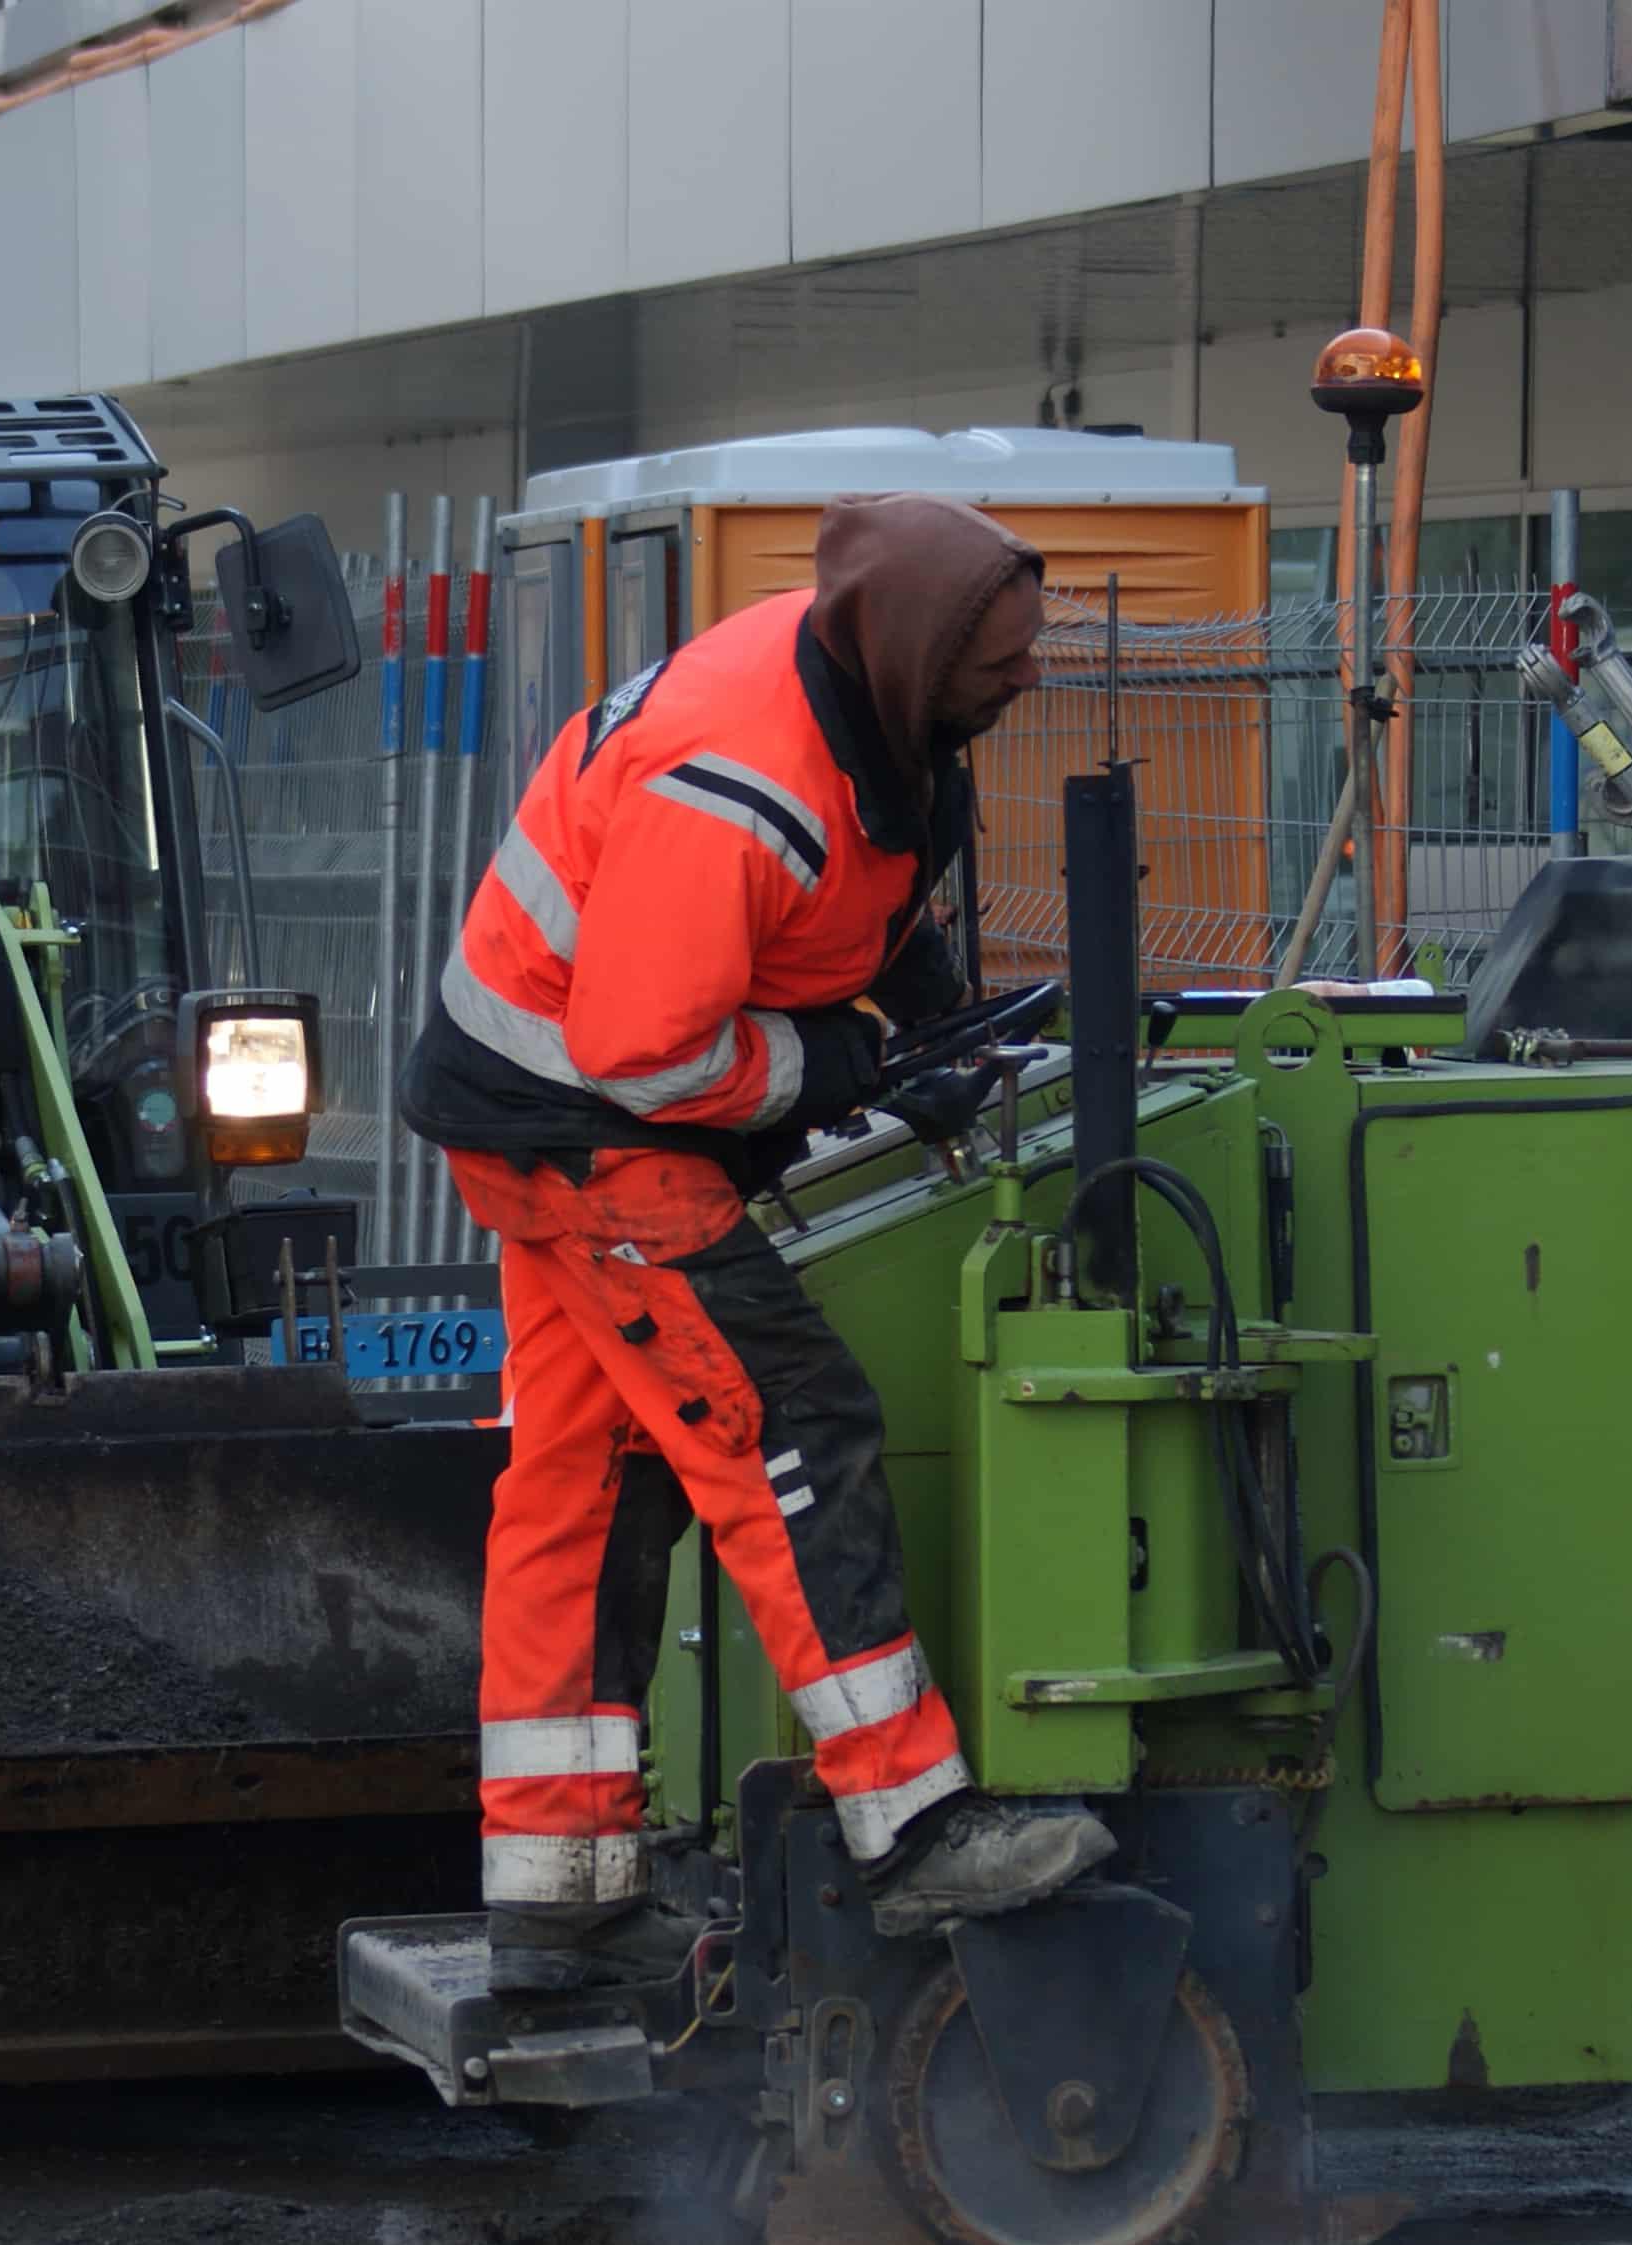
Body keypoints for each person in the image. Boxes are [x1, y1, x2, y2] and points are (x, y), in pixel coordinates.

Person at [400, 492, 1115, 1996]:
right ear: (922, 656)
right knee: (787, 1425)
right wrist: (847, 1070)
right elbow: (645, 1053)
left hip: (554, 1113)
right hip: (589, 1122)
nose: (1032, 678)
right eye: (1010, 655)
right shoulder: (734, 778)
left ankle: (561, 1896)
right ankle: (910, 1828)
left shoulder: (866, 698)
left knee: (586, 1481)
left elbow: (850, 898)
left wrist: (931, 1012)